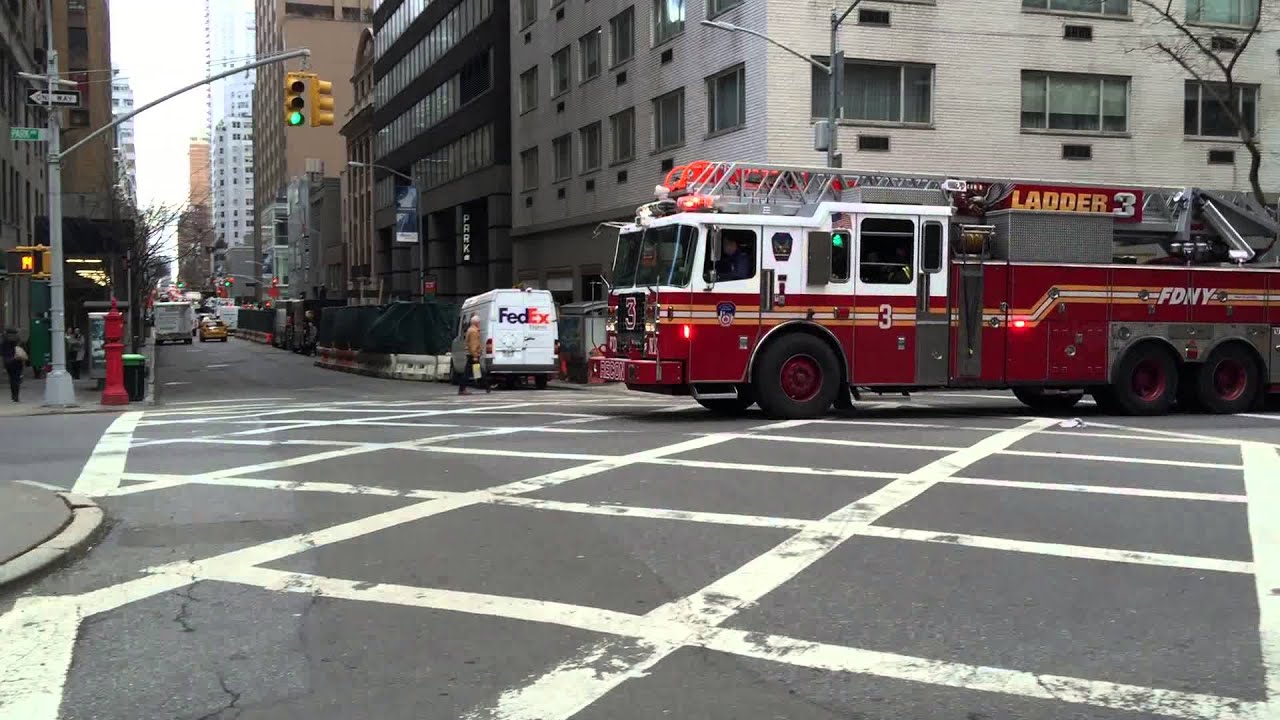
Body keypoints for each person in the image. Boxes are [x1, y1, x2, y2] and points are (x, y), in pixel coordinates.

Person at [459, 315, 490, 395]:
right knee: (475, 371)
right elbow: (473, 345)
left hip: (471, 354)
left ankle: (484, 386)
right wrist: (475, 355)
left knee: (474, 371)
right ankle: (486, 387)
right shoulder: (474, 331)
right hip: (473, 355)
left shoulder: (470, 330)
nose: (479, 324)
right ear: (476, 323)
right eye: (479, 322)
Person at [1, 329, 25, 402]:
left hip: (8, 362)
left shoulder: (4, 341)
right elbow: (23, 351)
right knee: (16, 379)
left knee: (11, 379)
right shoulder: (19, 341)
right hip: (18, 362)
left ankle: (13, 396)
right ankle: (16, 396)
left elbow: (1, 352)